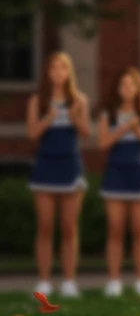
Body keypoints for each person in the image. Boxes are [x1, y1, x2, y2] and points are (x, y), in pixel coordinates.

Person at [27, 51, 91, 299]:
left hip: (71, 167)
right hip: (45, 167)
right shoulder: (37, 100)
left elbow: (87, 133)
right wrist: (48, 119)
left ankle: (68, 280)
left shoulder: (79, 100)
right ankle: (44, 280)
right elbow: (32, 133)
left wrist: (75, 118)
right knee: (45, 227)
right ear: (48, 73)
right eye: (53, 68)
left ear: (69, 73)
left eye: (62, 68)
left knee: (69, 228)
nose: (58, 73)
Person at [97, 67, 140, 297]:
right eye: (123, 84)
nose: (127, 89)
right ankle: (114, 280)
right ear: (117, 89)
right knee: (115, 229)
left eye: (132, 84)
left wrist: (139, 130)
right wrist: (123, 129)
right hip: (115, 173)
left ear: (138, 88)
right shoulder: (109, 114)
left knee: (139, 230)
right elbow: (102, 144)